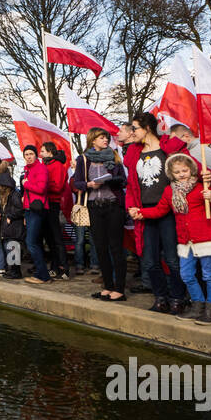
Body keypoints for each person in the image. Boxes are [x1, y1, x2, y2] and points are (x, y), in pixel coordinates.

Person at [137, 154, 211, 324]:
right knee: (186, 274)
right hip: (185, 241)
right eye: (177, 171)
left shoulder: (202, 188)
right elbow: (160, 210)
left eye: (185, 170)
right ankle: (198, 305)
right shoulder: (169, 191)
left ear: (192, 170)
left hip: (206, 238)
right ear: (171, 174)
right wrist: (141, 213)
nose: (181, 174)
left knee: (209, 275)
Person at [125, 113, 189, 313]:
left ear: (147, 128)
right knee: (149, 259)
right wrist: (131, 207)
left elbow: (187, 172)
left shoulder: (168, 148)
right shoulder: (134, 153)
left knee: (172, 258)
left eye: (134, 128)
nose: (131, 132)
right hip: (144, 213)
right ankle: (160, 297)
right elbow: (131, 185)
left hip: (168, 212)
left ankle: (178, 297)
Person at [77, 128, 128, 301]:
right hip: (94, 207)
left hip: (113, 206)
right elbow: (76, 183)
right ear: (93, 140)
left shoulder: (114, 157)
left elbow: (123, 180)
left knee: (115, 247)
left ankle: (119, 289)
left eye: (106, 137)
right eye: (101, 137)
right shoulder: (83, 159)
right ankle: (107, 286)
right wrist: (90, 184)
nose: (105, 140)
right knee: (100, 247)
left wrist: (107, 180)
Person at [20, 145, 52, 284]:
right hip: (29, 209)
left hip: (37, 209)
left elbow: (41, 188)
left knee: (31, 242)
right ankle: (40, 273)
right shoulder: (27, 169)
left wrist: (26, 184)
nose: (28, 156)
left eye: (31, 154)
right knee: (35, 242)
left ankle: (43, 275)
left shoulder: (40, 168)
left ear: (36, 155)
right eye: (26, 154)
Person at [39, 141, 71, 279]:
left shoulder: (57, 166)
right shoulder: (45, 165)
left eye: (43, 151)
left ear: (50, 152)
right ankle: (54, 266)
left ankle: (64, 268)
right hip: (45, 204)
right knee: (50, 238)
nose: (40, 154)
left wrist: (41, 186)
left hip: (53, 204)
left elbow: (57, 187)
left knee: (56, 238)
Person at [0, 172, 25, 279]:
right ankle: (12, 270)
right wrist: (0, 213)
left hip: (14, 226)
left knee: (13, 249)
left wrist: (10, 217)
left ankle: (15, 272)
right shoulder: (8, 196)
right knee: (10, 248)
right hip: (9, 227)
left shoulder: (14, 195)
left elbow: (20, 209)